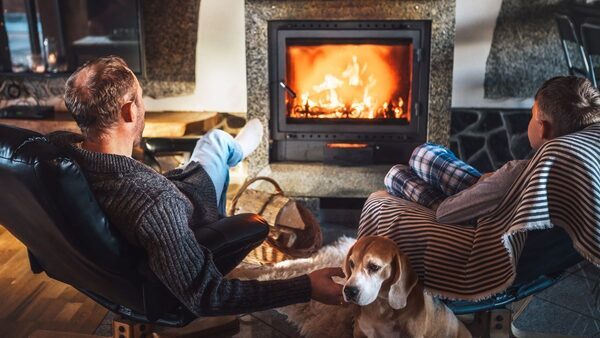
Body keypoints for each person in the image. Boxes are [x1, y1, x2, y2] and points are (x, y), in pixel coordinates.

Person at [50, 56, 344, 317]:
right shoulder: (154, 204)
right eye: (141, 100)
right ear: (128, 112)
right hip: (194, 213)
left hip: (170, 193)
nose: (143, 109)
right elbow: (206, 296)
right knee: (213, 144)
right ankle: (234, 151)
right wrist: (306, 286)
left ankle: (233, 150)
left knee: (210, 145)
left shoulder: (59, 154)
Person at [385, 76, 600, 225]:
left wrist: (484, 186)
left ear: (543, 128)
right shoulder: (586, 165)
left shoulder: (516, 174)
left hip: (481, 217)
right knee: (422, 155)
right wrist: (488, 181)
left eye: (531, 116)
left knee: (398, 172)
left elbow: (445, 213)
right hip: (502, 200)